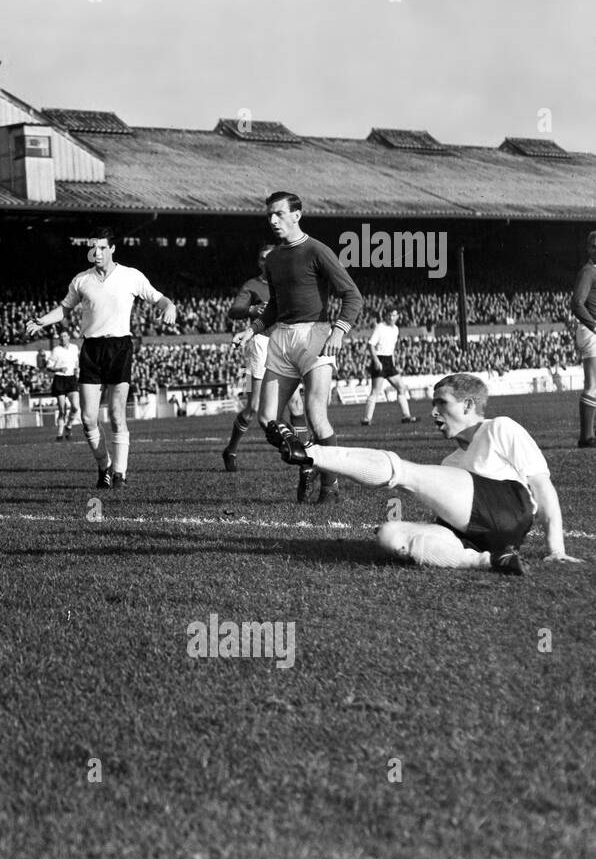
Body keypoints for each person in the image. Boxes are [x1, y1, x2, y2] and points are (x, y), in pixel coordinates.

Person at [265, 372, 581, 575]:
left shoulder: (500, 428)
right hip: (479, 535)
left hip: (510, 508)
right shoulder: (450, 462)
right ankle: (490, 561)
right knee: (391, 536)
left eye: (441, 403)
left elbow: (542, 486)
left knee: (404, 473)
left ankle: (310, 451)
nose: (432, 413)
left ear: (469, 404)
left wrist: (557, 551)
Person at [234, 192, 363, 503]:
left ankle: (329, 488)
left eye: (279, 214)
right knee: (266, 419)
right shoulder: (274, 258)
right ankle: (307, 462)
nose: (273, 220)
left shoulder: (317, 250)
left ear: (297, 215)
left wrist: (338, 332)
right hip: (281, 338)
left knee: (316, 415)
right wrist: (252, 331)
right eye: (269, 216)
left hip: (315, 336)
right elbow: (275, 306)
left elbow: (353, 295)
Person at [26, 230, 176, 489]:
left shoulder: (131, 276)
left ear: (112, 249)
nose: (97, 252)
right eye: (93, 248)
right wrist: (42, 321)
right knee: (87, 418)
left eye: (102, 248)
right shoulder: (81, 280)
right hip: (91, 348)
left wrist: (169, 306)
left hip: (119, 347)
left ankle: (119, 473)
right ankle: (104, 465)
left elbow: (158, 298)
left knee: (118, 415)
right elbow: (64, 308)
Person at [221, 245, 272, 471]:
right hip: (257, 345)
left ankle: (307, 462)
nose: (267, 262)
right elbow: (234, 310)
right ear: (259, 262)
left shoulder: (287, 283)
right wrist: (253, 310)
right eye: (263, 259)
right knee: (253, 406)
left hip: (284, 344)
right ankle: (230, 450)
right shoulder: (252, 285)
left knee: (296, 404)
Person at [361, 308, 418, 425]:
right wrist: (376, 361)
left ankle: (406, 416)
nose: (391, 318)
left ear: (397, 316)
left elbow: (391, 348)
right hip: (380, 360)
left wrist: (393, 363)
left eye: (393, 315)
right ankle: (366, 419)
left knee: (401, 387)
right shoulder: (380, 327)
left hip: (389, 362)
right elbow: (370, 345)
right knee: (375, 391)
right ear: (385, 316)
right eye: (389, 315)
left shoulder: (396, 329)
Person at [570, 230, 596, 447]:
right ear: (589, 248)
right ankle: (586, 437)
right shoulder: (589, 271)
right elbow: (577, 302)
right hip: (592, 330)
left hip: (591, 329)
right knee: (593, 384)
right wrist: (594, 324)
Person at [45, 329, 80, 441]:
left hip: (71, 378)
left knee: (75, 406)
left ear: (69, 337)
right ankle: (60, 434)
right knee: (62, 409)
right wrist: (59, 368)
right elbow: (48, 366)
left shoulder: (74, 348)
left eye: (65, 336)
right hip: (60, 378)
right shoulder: (56, 350)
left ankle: (69, 425)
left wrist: (77, 369)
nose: (63, 338)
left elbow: (77, 361)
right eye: (61, 336)